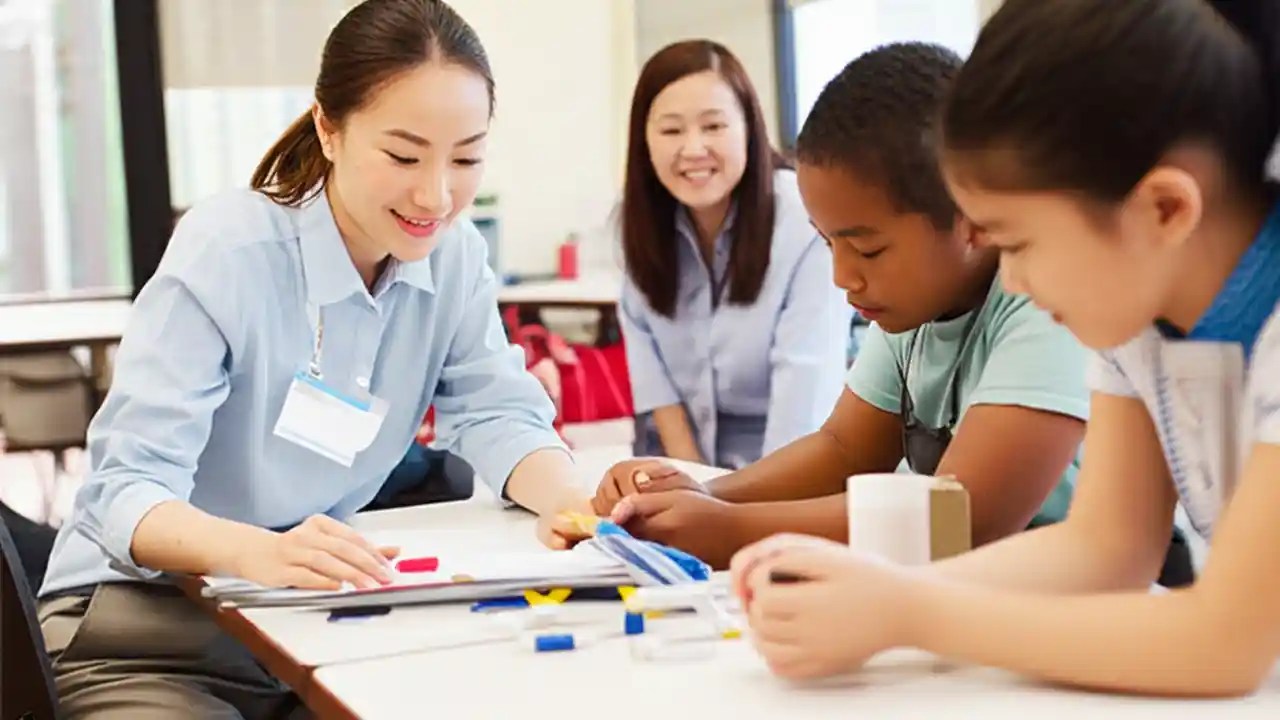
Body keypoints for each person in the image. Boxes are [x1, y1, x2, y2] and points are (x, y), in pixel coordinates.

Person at [36, 1, 590, 715]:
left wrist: (575, 505)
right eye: (403, 155)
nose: (437, 194)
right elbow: (124, 491)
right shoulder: (231, 249)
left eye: (467, 158)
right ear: (328, 129)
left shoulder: (453, 258)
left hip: (305, 626)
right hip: (141, 629)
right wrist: (254, 552)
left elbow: (496, 411)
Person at [732, 0, 1280, 696]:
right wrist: (872, 590)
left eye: (1018, 242)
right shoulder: (1134, 306)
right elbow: (1105, 549)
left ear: (1164, 208)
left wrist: (908, 610)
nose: (1011, 277)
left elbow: (1222, 645)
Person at [594, 42, 1089, 570]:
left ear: (973, 218)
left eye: (869, 250)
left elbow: (965, 518)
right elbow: (844, 450)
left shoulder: (1047, 303)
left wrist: (727, 528)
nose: (842, 277)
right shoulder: (913, 308)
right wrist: (702, 495)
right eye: (830, 245)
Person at [618, 40, 851, 470]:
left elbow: (800, 409)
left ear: (749, 128)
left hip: (785, 477)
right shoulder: (636, 227)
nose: (692, 149)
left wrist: (731, 510)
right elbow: (658, 393)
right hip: (680, 476)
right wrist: (696, 487)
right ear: (644, 142)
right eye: (671, 130)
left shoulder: (805, 225)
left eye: (713, 126)